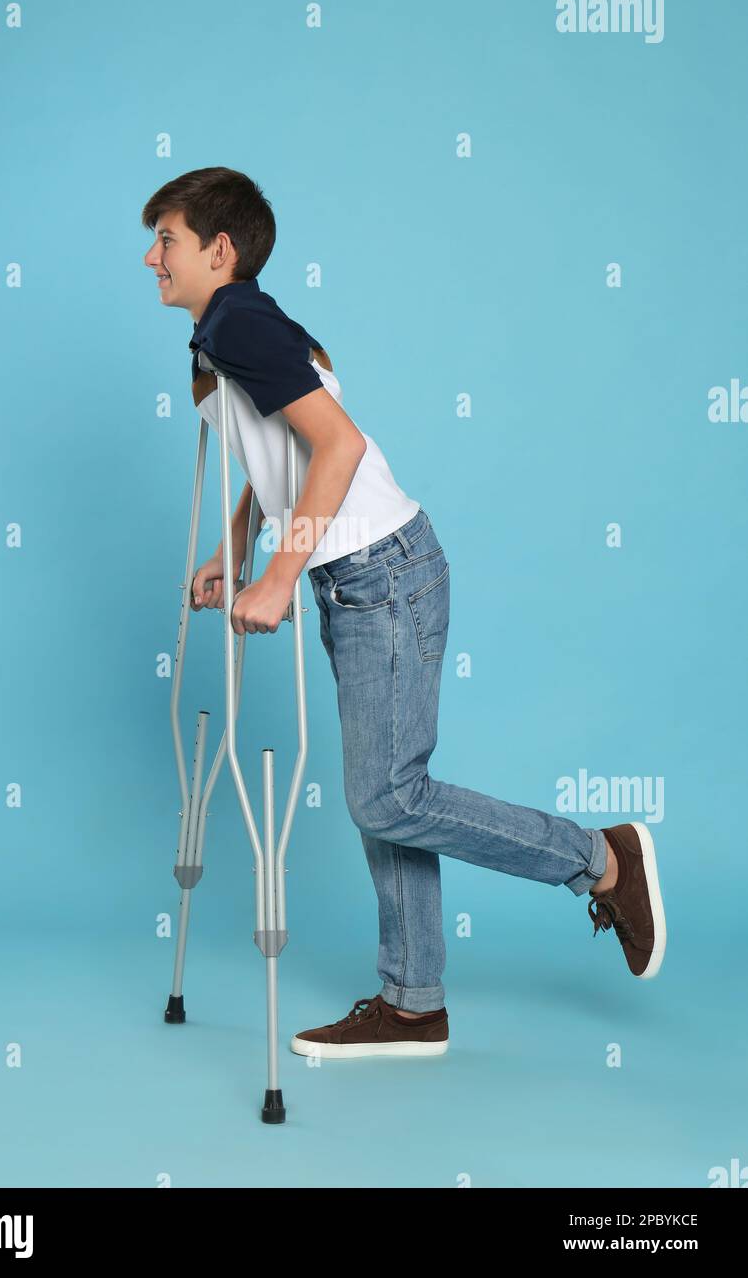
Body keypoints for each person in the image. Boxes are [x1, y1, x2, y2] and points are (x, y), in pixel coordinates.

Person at [142, 166, 667, 1061]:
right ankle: (413, 1001)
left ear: (219, 251)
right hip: (361, 575)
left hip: (381, 572)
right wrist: (240, 545)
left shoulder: (237, 320)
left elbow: (338, 448)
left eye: (168, 240)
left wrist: (276, 572)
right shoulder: (230, 330)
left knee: (388, 794)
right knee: (386, 799)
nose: (151, 257)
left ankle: (602, 859)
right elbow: (285, 453)